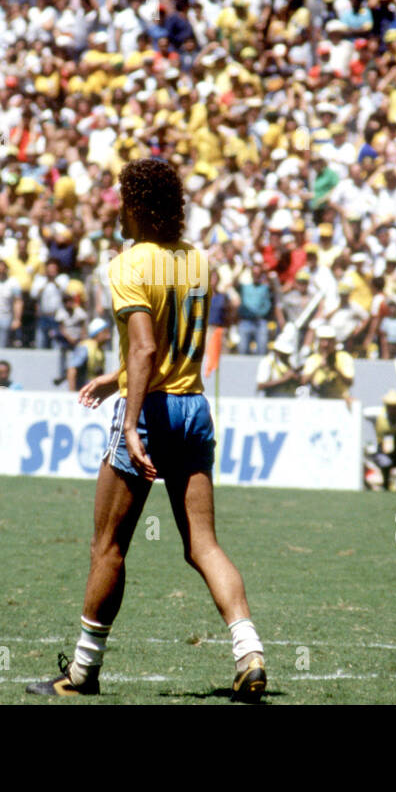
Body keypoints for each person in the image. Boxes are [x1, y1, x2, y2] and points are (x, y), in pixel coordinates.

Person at [27, 158, 265, 703]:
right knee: (202, 543)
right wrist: (117, 378)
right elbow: (175, 345)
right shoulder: (198, 262)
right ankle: (249, 652)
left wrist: (130, 422)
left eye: (121, 200)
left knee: (107, 547)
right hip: (194, 406)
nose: (116, 209)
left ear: (137, 206)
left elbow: (146, 347)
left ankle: (82, 673)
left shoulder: (128, 266)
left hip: (153, 413)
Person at [367, 390, 396, 492]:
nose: (394, 410)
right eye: (391, 406)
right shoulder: (377, 415)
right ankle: (386, 485)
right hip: (382, 451)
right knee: (385, 462)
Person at [301, 325, 356, 402]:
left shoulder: (344, 357)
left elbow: (349, 382)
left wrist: (335, 368)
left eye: (329, 341)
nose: (326, 344)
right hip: (318, 399)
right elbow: (304, 381)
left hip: (339, 399)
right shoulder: (313, 358)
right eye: (323, 341)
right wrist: (319, 366)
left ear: (334, 342)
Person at [67, 318, 110, 391]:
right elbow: (72, 370)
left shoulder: (100, 350)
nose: (108, 336)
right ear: (98, 333)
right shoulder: (85, 347)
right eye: (105, 332)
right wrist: (72, 393)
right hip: (83, 392)